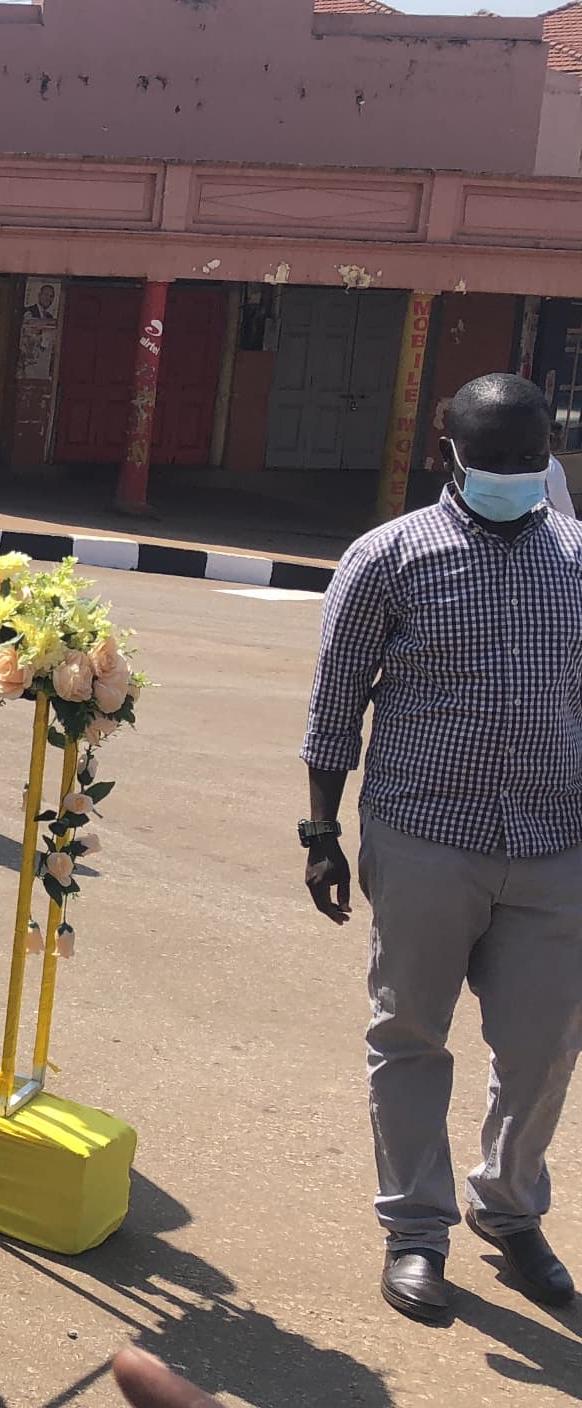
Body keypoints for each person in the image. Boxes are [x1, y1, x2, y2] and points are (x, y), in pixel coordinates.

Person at [301, 372, 582, 1323]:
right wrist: (320, 832)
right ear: (445, 448)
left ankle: (508, 1208)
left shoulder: (579, 558)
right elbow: (336, 702)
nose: (512, 472)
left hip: (555, 843)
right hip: (426, 838)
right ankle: (416, 1231)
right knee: (411, 1034)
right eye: (493, 456)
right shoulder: (388, 558)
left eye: (528, 456)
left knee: (544, 1048)